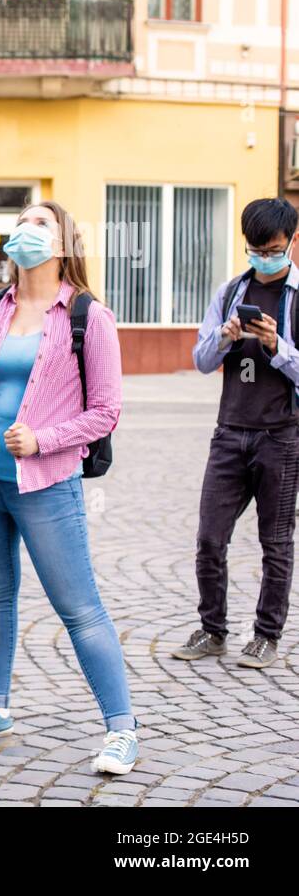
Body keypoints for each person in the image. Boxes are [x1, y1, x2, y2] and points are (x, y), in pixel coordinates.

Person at [0, 201, 138, 776]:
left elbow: (106, 411)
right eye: (22, 221)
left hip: (46, 485)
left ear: (64, 244)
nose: (26, 230)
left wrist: (45, 439)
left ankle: (122, 729)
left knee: (80, 608)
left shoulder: (86, 317)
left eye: (40, 224)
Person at [174, 197, 299, 670]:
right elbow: (201, 361)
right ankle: (212, 630)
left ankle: (266, 635)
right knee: (209, 537)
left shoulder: (297, 296)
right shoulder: (229, 291)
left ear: (291, 243)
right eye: (255, 248)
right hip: (229, 432)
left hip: (282, 436)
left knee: (276, 541)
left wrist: (276, 346)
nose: (264, 256)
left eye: (272, 248)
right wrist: (227, 336)